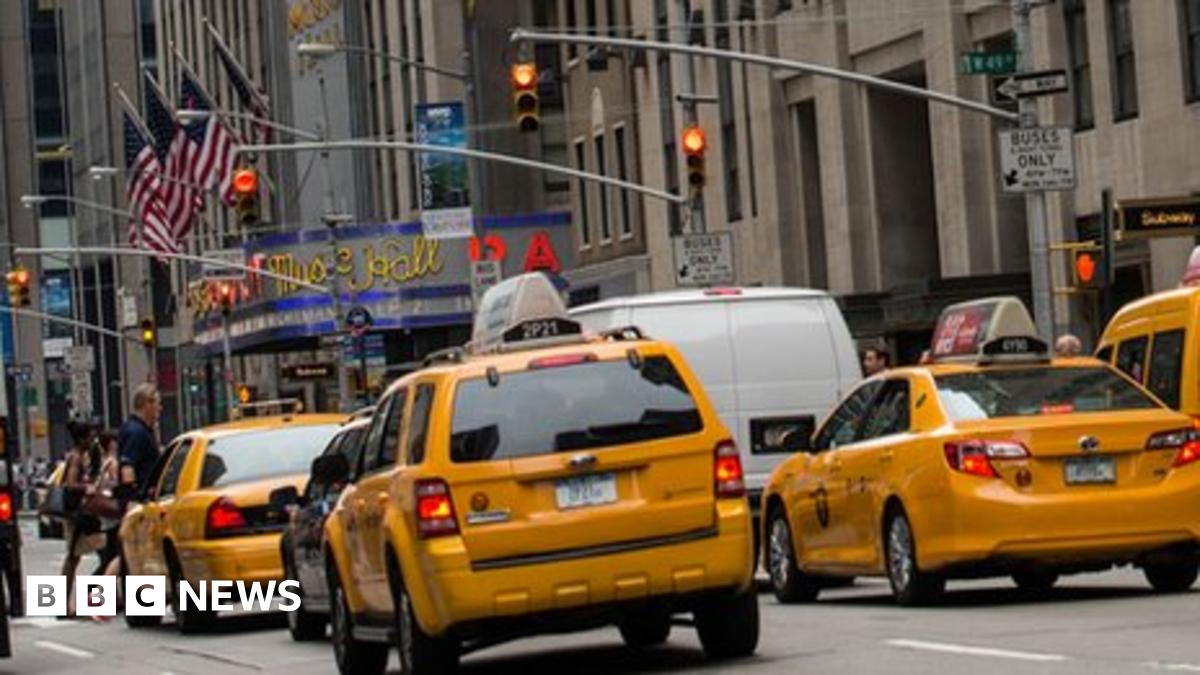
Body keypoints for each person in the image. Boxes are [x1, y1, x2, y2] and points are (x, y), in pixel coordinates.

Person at [60, 420, 103, 617]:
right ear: (81, 438)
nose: (93, 440)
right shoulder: (76, 457)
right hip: (77, 514)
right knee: (74, 558)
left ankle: (65, 605)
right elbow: (69, 484)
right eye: (90, 436)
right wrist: (87, 487)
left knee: (74, 558)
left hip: (77, 513)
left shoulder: (79, 456)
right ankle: (66, 605)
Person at [118, 382, 162, 497]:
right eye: (158, 403)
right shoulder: (136, 432)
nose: (160, 408)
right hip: (142, 500)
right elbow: (127, 467)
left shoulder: (141, 429)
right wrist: (132, 499)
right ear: (147, 404)